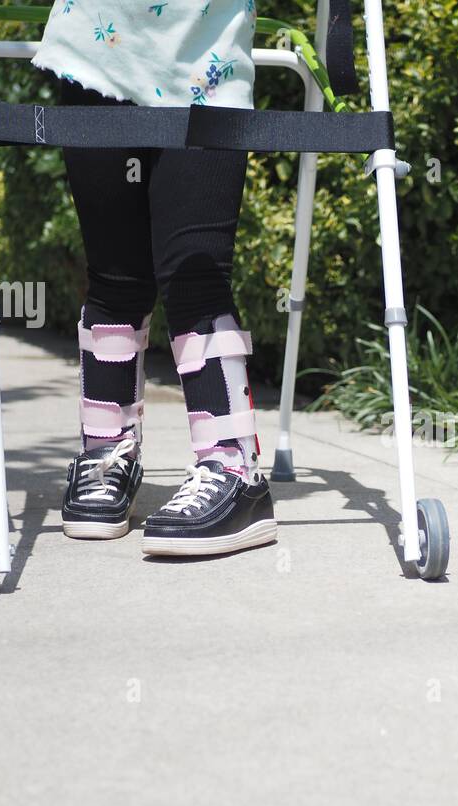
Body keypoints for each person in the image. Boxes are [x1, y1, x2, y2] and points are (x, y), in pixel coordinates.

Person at [31, 0, 276, 557]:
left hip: (206, 58)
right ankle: (106, 451)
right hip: (93, 50)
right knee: (114, 275)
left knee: (196, 275)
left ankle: (233, 469)